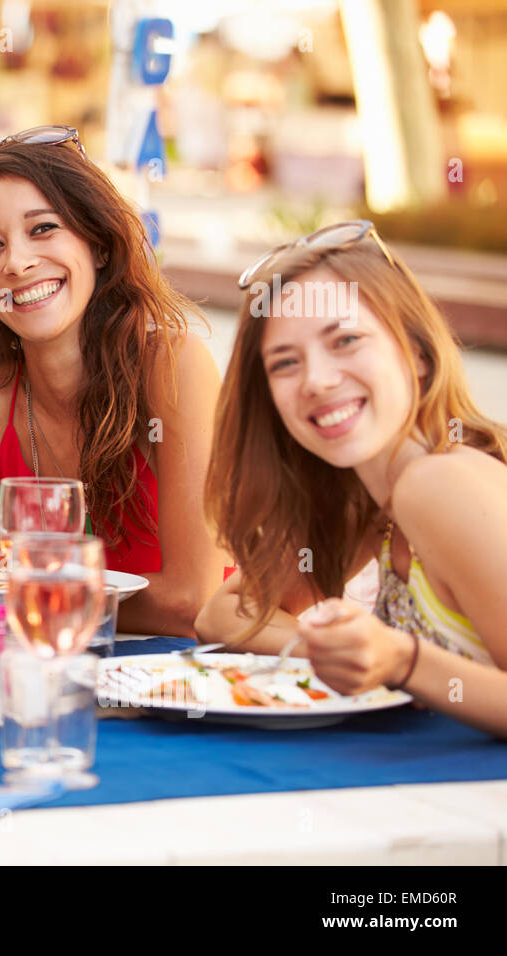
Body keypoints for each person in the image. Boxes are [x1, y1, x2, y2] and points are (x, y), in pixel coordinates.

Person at [194, 221, 507, 737]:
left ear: (419, 356)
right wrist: (333, 651)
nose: (317, 380)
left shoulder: (439, 485)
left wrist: (401, 663)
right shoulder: (366, 497)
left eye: (345, 340)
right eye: (286, 362)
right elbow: (223, 615)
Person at [0, 127, 228, 637]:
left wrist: (29, 595)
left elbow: (190, 602)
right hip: (45, 674)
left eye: (43, 228)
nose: (18, 263)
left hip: (193, 680)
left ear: (99, 245)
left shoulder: (174, 370)